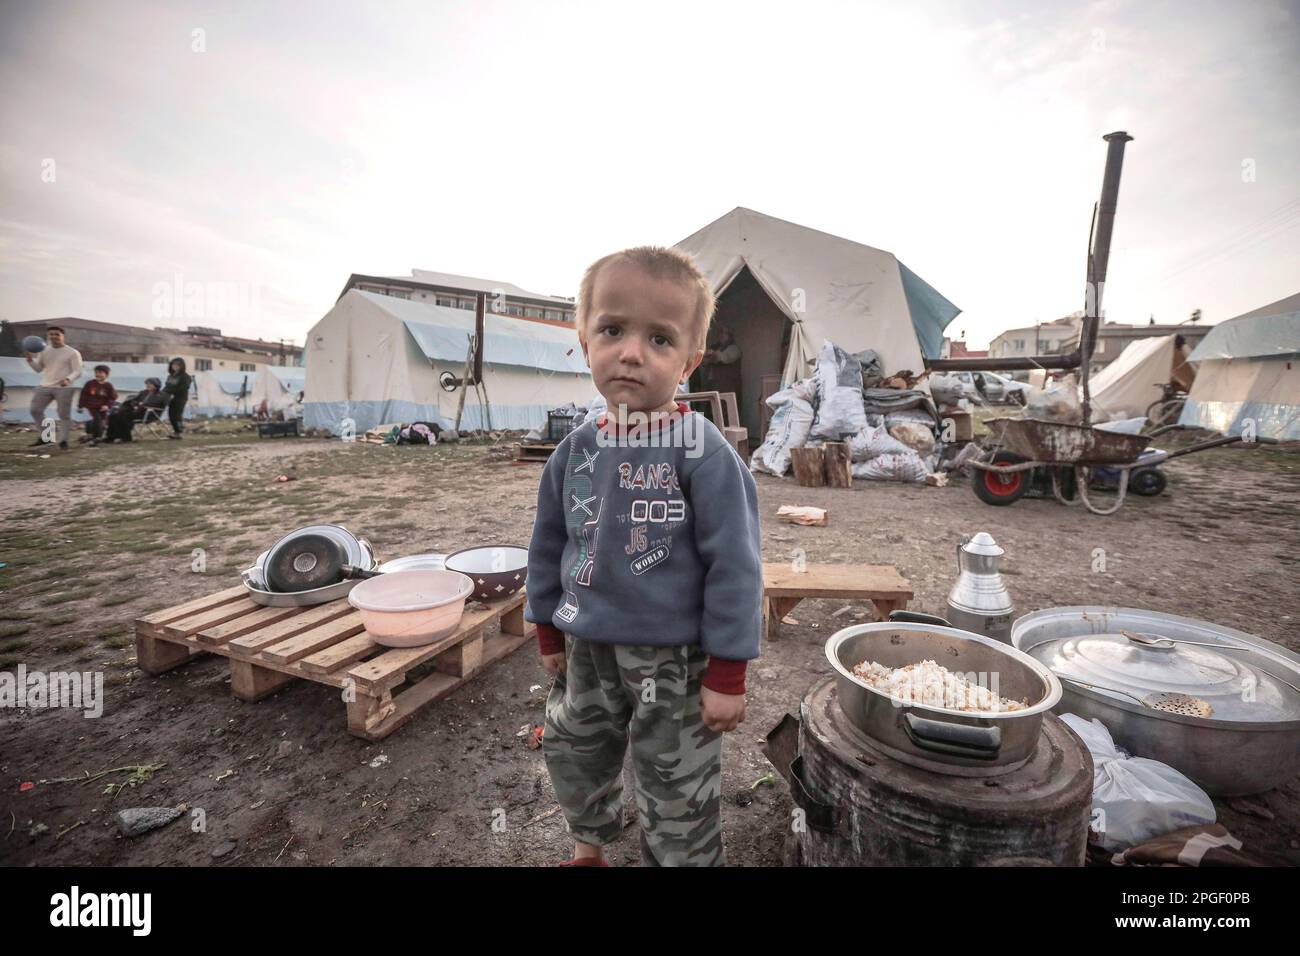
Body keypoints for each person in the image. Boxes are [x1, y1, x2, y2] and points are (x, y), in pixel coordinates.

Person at [524, 246, 763, 867]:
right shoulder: (573, 452)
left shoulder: (702, 454)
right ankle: (589, 848)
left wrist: (727, 673)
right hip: (587, 653)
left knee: (675, 780)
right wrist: (547, 628)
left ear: (690, 361)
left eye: (659, 339)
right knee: (575, 748)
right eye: (612, 329)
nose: (631, 352)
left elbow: (735, 567)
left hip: (675, 663)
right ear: (584, 340)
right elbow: (550, 542)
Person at [25, 325, 83, 450]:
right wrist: (30, 361)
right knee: (35, 410)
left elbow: (77, 371)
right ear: (48, 336)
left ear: (63, 336)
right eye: (51, 334)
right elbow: (38, 369)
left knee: (63, 414)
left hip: (64, 388)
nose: (54, 336)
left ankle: (63, 441)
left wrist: (68, 379)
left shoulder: (72, 352)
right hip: (45, 385)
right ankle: (47, 437)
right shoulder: (44, 350)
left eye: (57, 334)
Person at [102, 378, 167, 443]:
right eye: (147, 384)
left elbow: (156, 403)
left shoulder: (161, 394)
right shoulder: (144, 392)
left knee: (123, 416)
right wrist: (136, 404)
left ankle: (126, 438)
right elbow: (134, 400)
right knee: (114, 415)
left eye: (150, 384)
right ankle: (110, 437)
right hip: (138, 411)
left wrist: (143, 404)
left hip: (150, 413)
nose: (148, 385)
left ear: (156, 385)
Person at [77, 365, 117, 443]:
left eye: (100, 372)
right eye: (96, 372)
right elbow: (83, 395)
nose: (98, 374)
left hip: (103, 407)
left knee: (101, 422)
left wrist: (107, 406)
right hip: (92, 406)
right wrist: (80, 406)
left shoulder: (108, 385)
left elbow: (112, 398)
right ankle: (97, 437)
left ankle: (90, 436)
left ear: (106, 374)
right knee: (97, 419)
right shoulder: (90, 384)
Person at [162, 357, 192, 438]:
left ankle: (179, 432)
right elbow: (167, 386)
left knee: (177, 415)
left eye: (177, 365)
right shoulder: (171, 376)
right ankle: (176, 432)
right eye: (173, 365)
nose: (175, 366)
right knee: (171, 414)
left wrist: (173, 393)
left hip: (180, 398)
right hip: (170, 398)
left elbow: (184, 387)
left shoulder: (185, 376)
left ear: (182, 366)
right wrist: (162, 393)